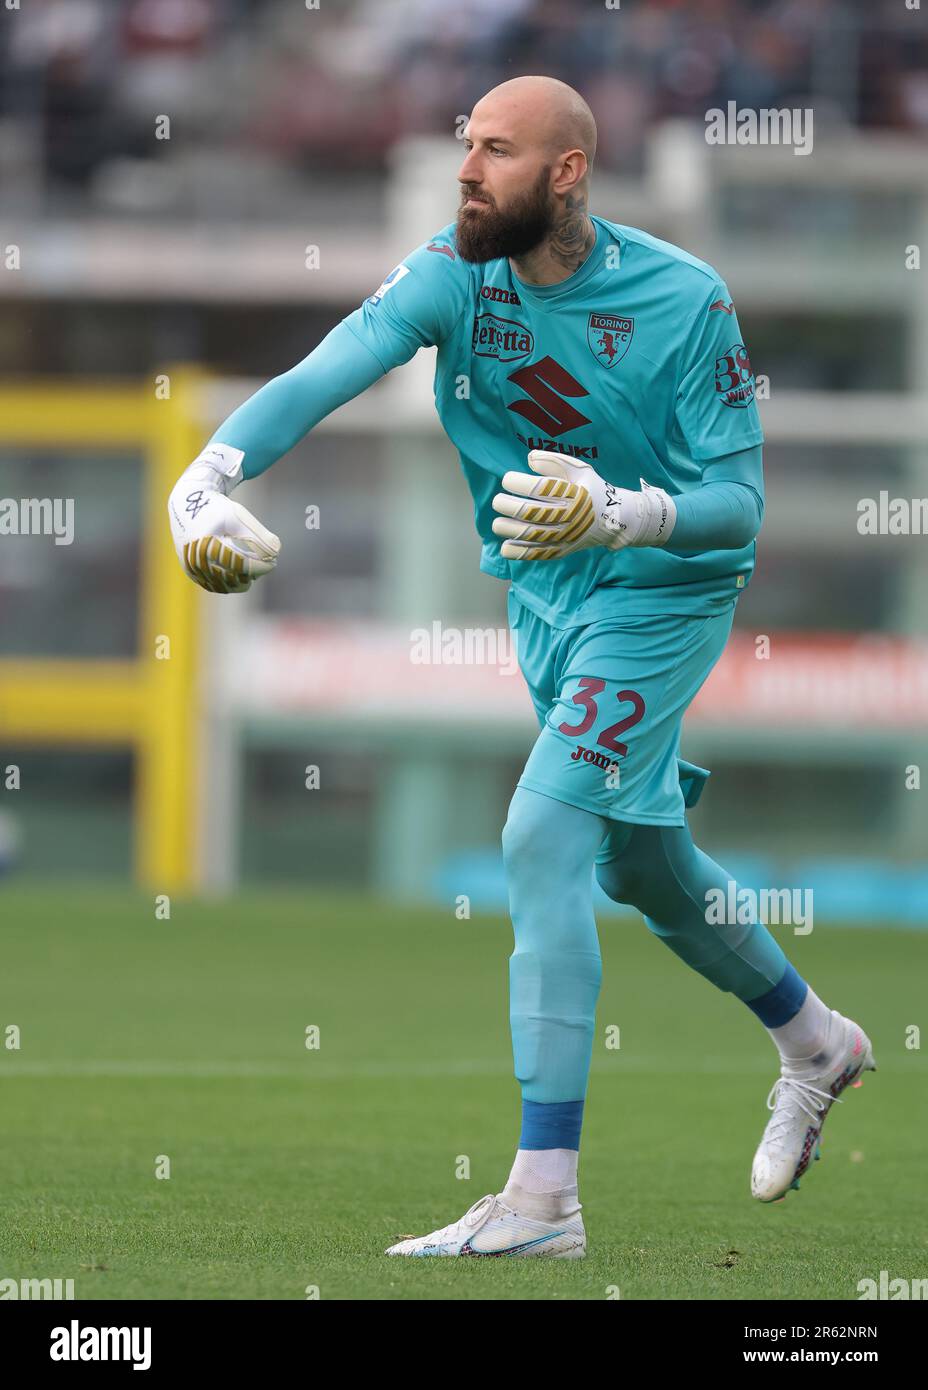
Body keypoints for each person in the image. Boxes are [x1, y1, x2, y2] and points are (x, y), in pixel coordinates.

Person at [168, 75, 875, 1259]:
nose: (466, 169)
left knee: (538, 836)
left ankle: (543, 1200)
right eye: (465, 145)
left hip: (658, 593)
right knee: (641, 864)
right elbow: (330, 366)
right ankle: (816, 1040)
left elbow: (739, 506)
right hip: (548, 601)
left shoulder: (686, 301)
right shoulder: (454, 272)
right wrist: (209, 476)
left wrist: (624, 513)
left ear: (566, 172)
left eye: (496, 151)